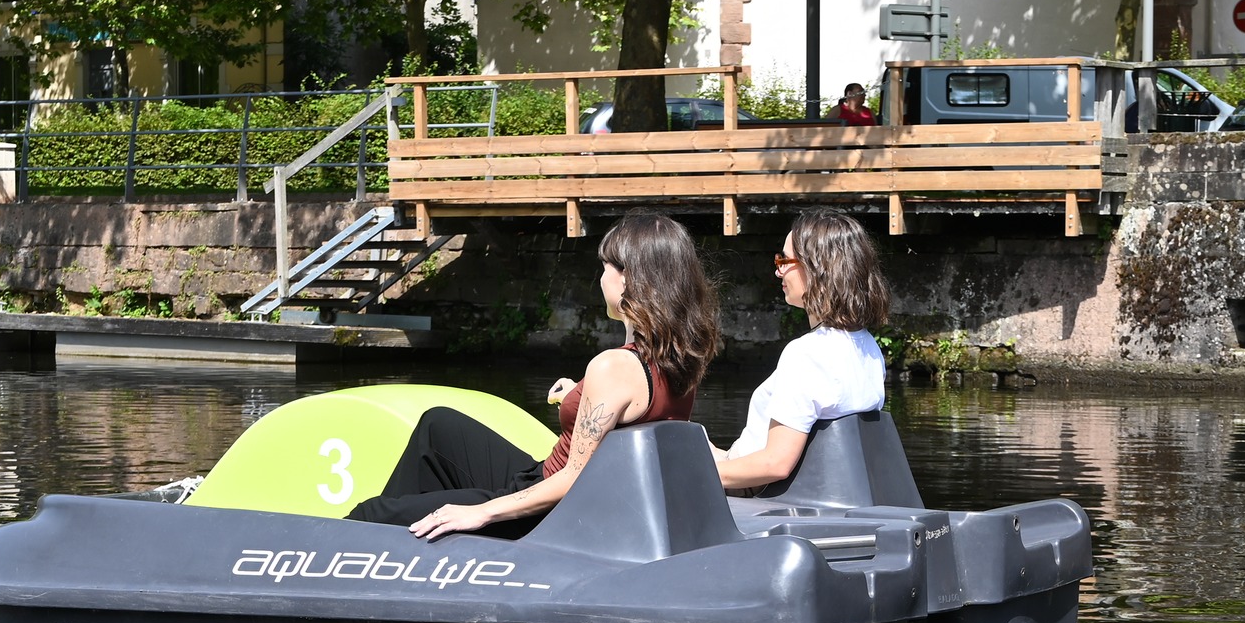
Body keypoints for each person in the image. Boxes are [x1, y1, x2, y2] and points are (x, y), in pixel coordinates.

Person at [350, 211, 720, 539]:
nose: (601, 277)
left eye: (606, 267)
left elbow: (575, 477)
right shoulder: (679, 356)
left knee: (372, 513)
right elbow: (635, 405)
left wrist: (482, 512)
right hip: (568, 491)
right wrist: (581, 392)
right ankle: (406, 544)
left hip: (546, 510)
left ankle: (370, 539)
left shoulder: (613, 367)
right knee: (438, 427)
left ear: (628, 280)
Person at [715, 208, 888, 491]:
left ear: (817, 267)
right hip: (809, 489)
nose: (777, 269)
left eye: (785, 259)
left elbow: (775, 463)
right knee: (690, 438)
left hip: (751, 493)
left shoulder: (807, 353)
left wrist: (696, 474)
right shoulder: (868, 347)